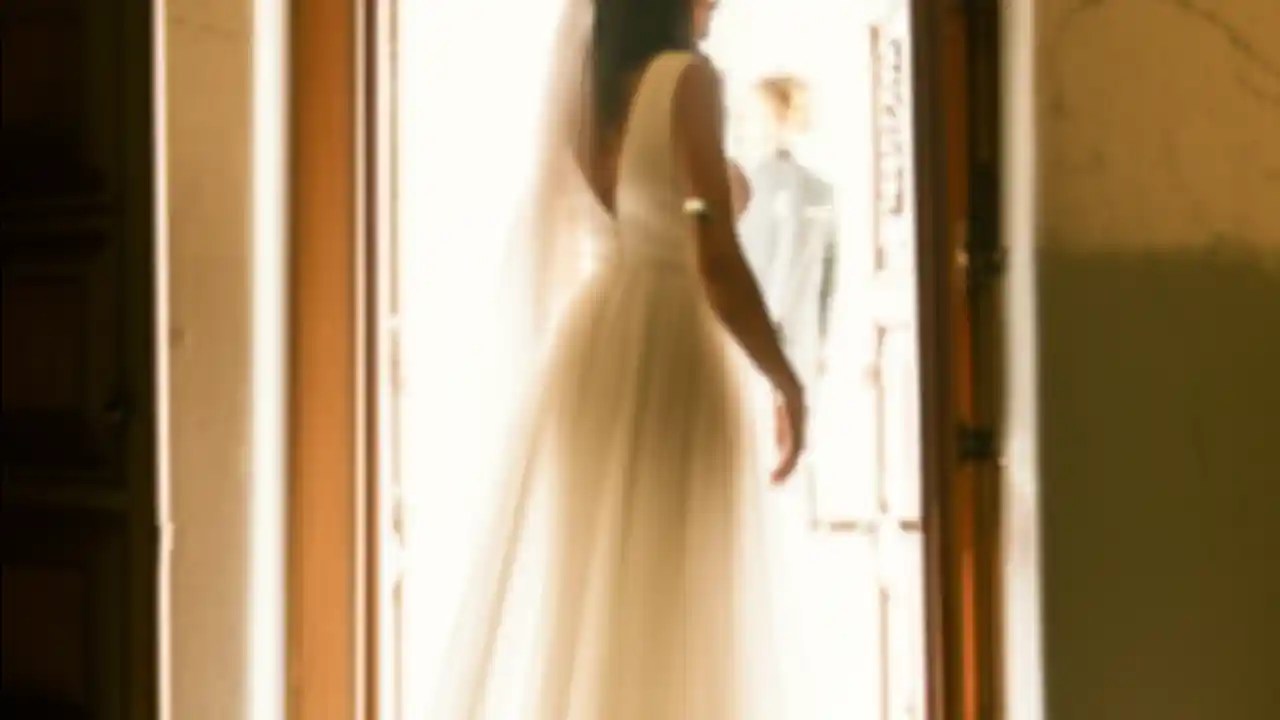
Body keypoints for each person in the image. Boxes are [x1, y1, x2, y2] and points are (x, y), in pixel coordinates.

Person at [435, 0, 804, 718]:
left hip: (598, 348)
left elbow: (634, 212)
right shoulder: (689, 82)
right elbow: (714, 254)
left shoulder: (596, 98)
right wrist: (783, 377)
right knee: (680, 592)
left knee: (602, 589)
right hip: (670, 348)